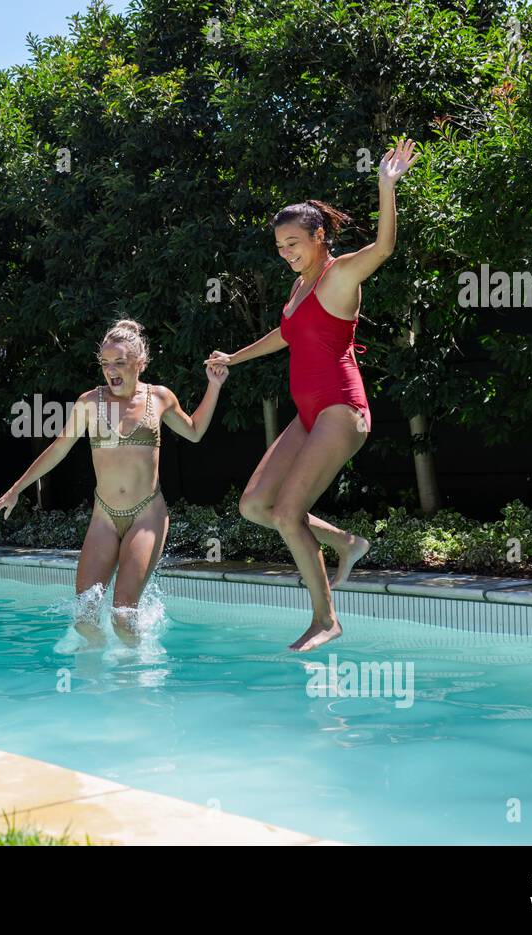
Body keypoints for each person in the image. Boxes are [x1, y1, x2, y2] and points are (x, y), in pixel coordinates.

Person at [206, 138, 419, 652]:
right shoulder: (299, 288)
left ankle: (326, 619)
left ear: (319, 236)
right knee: (256, 505)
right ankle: (346, 542)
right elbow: (286, 335)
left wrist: (386, 186)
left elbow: (385, 248)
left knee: (286, 514)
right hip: (308, 414)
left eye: (294, 243)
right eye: (280, 246)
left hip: (341, 410)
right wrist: (234, 358)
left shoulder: (339, 274)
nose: (286, 253)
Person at [0, 319, 228, 646]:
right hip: (105, 517)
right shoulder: (90, 403)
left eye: (119, 362)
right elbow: (59, 448)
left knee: (123, 616)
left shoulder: (159, 398)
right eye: (104, 364)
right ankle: (99, 683)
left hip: (147, 517)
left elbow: (195, 432)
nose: (110, 370)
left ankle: (139, 676)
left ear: (140, 364)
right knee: (84, 617)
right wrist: (16, 489)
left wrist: (213, 386)